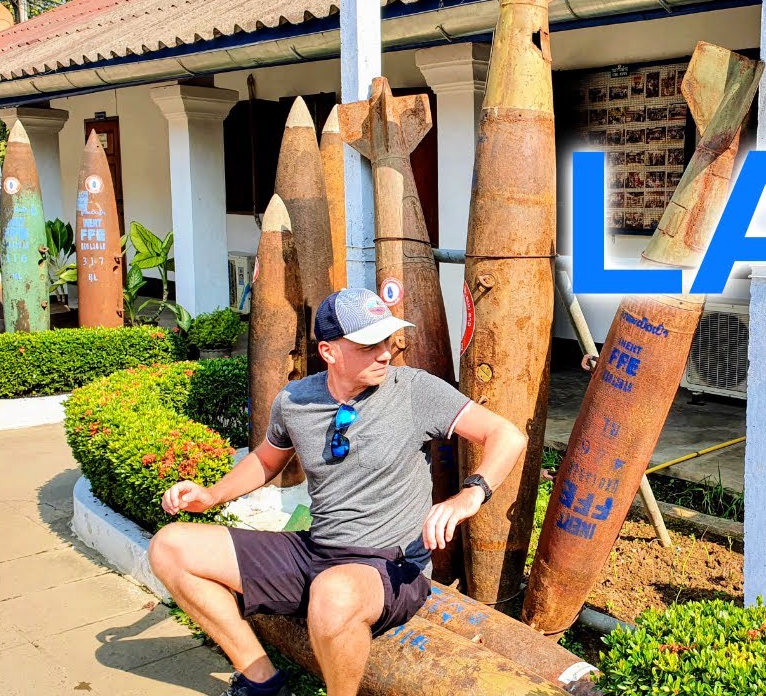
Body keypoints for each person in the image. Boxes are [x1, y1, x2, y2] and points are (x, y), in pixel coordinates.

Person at [148, 288, 526, 696]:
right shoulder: (295, 400)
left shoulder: (414, 390)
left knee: (333, 593)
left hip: (390, 566)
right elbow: (268, 460)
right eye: (369, 344)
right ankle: (261, 681)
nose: (385, 353)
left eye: (388, 340)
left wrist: (471, 494)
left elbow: (505, 434)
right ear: (329, 351)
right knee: (171, 546)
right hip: (319, 551)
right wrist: (211, 495)